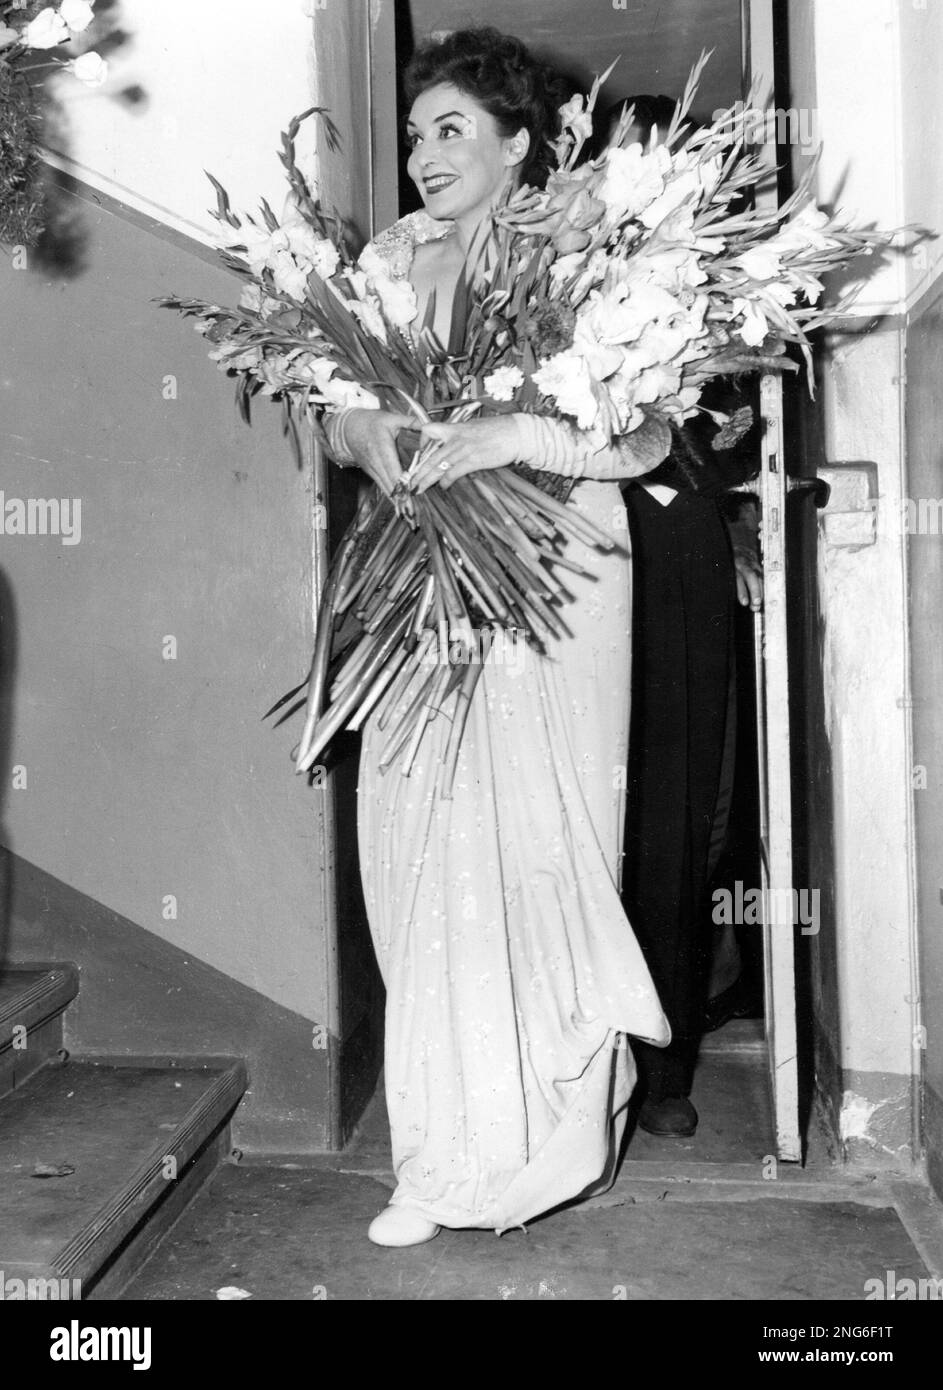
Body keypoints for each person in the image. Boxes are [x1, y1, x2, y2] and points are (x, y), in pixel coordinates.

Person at [322, 29, 675, 1246]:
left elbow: (645, 442)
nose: (423, 155)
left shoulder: (590, 258)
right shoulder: (386, 259)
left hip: (561, 577)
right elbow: (339, 414)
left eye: (452, 129)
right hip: (415, 580)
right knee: (413, 839)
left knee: (538, 843)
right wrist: (369, 437)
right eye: (415, 134)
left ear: (522, 143)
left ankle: (543, 1141)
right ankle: (436, 1161)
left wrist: (517, 441)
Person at [600, 95, 764, 1137]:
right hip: (598, 580)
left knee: (685, 829)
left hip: (689, 584)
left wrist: (734, 510)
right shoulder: (560, 286)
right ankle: (587, 1070)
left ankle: (661, 1074)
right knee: (595, 827)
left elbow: (736, 445)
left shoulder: (719, 297)